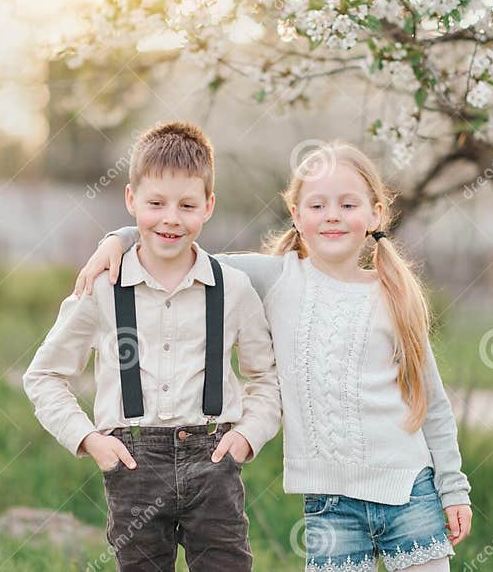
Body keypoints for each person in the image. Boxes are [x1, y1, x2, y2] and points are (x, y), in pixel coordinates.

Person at [76, 141, 472, 571]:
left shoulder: (395, 294)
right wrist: (123, 236)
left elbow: (431, 399)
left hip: (409, 489)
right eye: (318, 205)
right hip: (331, 504)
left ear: (376, 213)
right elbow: (179, 245)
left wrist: (453, 488)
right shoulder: (277, 278)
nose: (333, 215)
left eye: (347, 204)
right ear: (297, 216)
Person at [24, 121, 281, 571]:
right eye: (156, 204)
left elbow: (266, 377)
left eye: (187, 205)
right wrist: (89, 440)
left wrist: (245, 437)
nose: (171, 218)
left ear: (209, 206)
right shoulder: (103, 288)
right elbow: (44, 375)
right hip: (133, 467)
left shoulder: (233, 288)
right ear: (131, 201)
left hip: (214, 463)